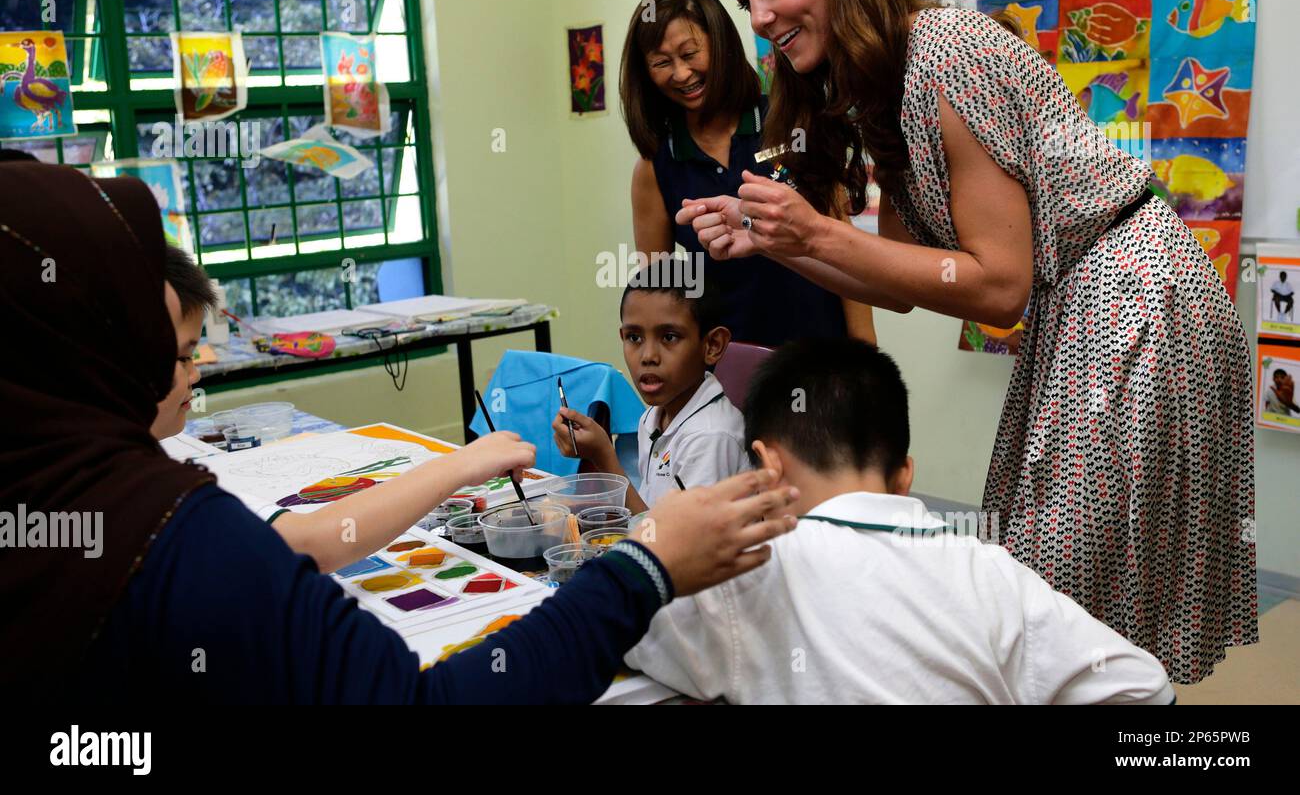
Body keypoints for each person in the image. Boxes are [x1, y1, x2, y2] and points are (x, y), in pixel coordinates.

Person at [676, 0, 1256, 683]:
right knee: (1056, 579)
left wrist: (813, 232)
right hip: (1077, 302)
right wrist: (775, 242)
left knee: (1060, 588)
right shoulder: (876, 84)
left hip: (1134, 293)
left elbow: (999, 286)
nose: (761, 17)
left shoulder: (944, 50)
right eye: (746, 1)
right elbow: (908, 283)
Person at [0, 162, 799, 702]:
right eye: (173, 355)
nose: (192, 374)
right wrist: (640, 570)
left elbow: (294, 543)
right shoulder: (166, 539)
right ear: (99, 357)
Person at [625, 338, 1176, 704]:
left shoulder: (745, 574)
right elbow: (1146, 690)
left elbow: (614, 627)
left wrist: (652, 538)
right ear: (905, 474)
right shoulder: (992, 571)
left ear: (767, 464)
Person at [153, 246, 565, 573]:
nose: (196, 374)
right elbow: (312, 545)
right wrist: (459, 465)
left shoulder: (147, 462)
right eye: (185, 357)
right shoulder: (144, 489)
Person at [620, 0, 874, 347]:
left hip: (820, 357)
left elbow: (842, 240)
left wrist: (864, 347)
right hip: (724, 370)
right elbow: (659, 292)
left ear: (720, 45)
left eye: (690, 54)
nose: (681, 74)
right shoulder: (655, 167)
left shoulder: (788, 124)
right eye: (661, 62)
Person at [552, 259, 746, 510]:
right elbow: (650, 518)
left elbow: (672, 544)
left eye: (669, 337)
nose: (648, 356)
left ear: (712, 345)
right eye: (635, 338)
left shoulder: (710, 437)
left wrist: (603, 456)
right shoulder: (653, 418)